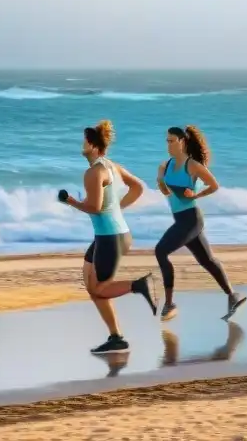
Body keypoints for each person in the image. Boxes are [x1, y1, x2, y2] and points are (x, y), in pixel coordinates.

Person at [59, 120, 157, 354]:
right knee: (90, 282)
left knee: (99, 289)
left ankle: (140, 285)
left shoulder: (94, 172)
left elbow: (94, 206)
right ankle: (116, 336)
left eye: (84, 141)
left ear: (93, 146)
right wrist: (118, 208)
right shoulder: (112, 166)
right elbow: (138, 188)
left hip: (110, 237)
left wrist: (71, 201)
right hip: (113, 233)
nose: (81, 145)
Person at [155, 126, 245, 321]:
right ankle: (232, 295)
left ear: (182, 142)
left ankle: (169, 303)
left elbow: (214, 185)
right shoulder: (164, 166)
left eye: (172, 141)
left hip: (192, 219)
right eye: (167, 141)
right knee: (207, 260)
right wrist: (161, 183)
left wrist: (195, 194)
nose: (168, 145)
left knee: (160, 251)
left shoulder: (192, 165)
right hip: (181, 219)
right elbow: (166, 193)